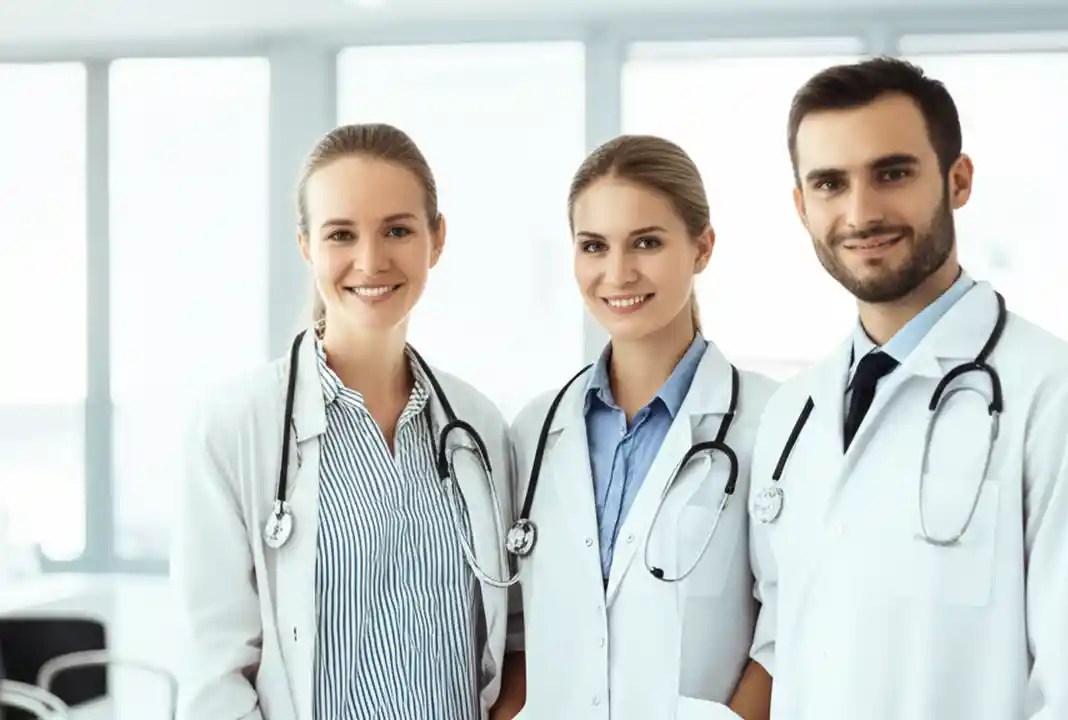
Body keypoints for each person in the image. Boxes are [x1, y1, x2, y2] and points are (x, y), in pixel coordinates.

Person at [747, 58, 1068, 718]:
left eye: (892, 173)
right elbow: (788, 647)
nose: (861, 212)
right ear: (801, 206)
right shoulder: (792, 416)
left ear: (957, 180)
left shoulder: (1063, 401)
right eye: (829, 183)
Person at [174, 123, 516, 720]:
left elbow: (510, 641)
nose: (370, 259)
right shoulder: (233, 428)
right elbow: (214, 673)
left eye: (398, 230)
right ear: (307, 246)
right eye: (341, 234)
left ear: (437, 240)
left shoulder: (478, 427)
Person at [490, 135, 776, 720]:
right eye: (594, 246)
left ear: (702, 248)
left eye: (646, 242)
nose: (617, 273)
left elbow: (787, 629)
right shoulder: (535, 431)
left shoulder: (771, 421)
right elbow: (514, 630)